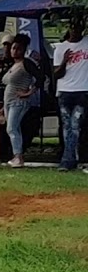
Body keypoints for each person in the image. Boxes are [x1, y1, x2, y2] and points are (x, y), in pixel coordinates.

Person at [0, 34, 40, 168]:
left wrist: (28, 92)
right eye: (13, 48)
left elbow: (40, 77)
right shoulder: (13, 65)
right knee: (12, 128)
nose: (14, 51)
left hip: (18, 101)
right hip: (9, 101)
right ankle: (17, 154)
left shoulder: (26, 63)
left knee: (12, 128)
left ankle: (18, 156)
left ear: (23, 50)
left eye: (18, 49)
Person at [54, 19, 88, 172]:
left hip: (82, 90)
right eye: (72, 28)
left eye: (78, 28)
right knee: (67, 126)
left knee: (75, 125)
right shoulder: (61, 48)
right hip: (65, 91)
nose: (75, 31)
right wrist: (64, 61)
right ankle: (71, 157)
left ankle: (67, 161)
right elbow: (57, 74)